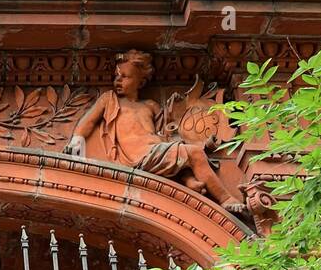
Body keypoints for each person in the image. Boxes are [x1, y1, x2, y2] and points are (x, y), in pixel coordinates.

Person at [66, 50, 244, 214]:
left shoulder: (150, 105)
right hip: (138, 156)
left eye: (125, 77)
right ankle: (224, 197)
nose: (117, 81)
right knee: (194, 153)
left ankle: (189, 180)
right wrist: (77, 139)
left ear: (140, 81)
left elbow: (168, 134)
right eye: (116, 77)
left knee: (182, 151)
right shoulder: (110, 99)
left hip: (156, 150)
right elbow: (88, 121)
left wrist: (172, 112)